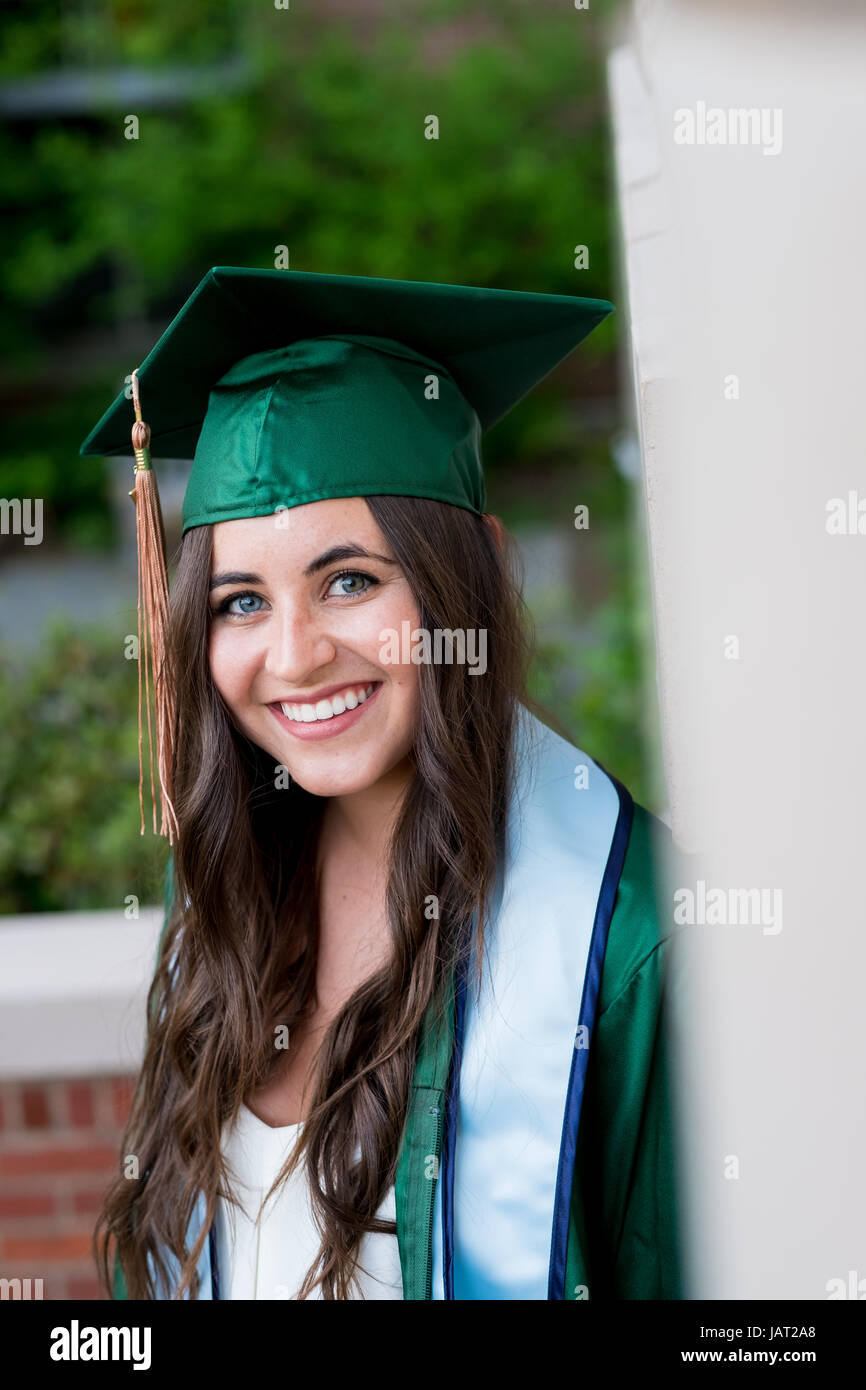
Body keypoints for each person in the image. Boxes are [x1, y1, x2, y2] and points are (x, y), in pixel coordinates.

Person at [81, 265, 684, 1301]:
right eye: (239, 602)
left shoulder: (628, 940)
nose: (296, 654)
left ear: (474, 572)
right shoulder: (225, 885)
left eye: (349, 581)